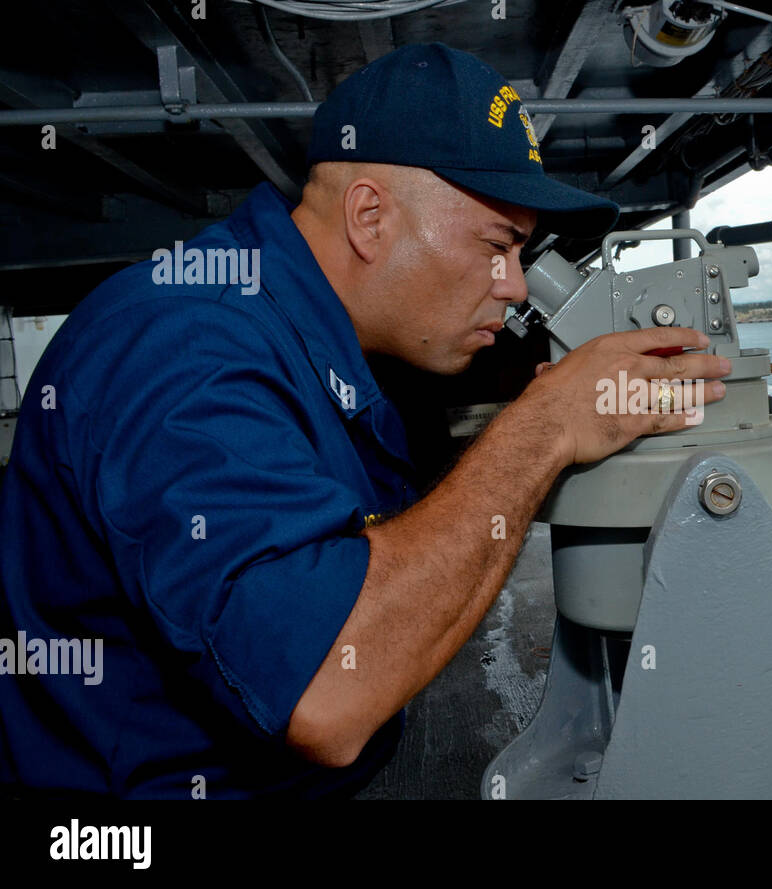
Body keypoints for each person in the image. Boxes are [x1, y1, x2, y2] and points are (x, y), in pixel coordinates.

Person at [0, 43, 729, 798]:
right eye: (497, 244)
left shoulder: (288, 330)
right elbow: (326, 691)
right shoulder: (185, 347)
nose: (513, 284)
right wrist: (544, 427)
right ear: (370, 217)